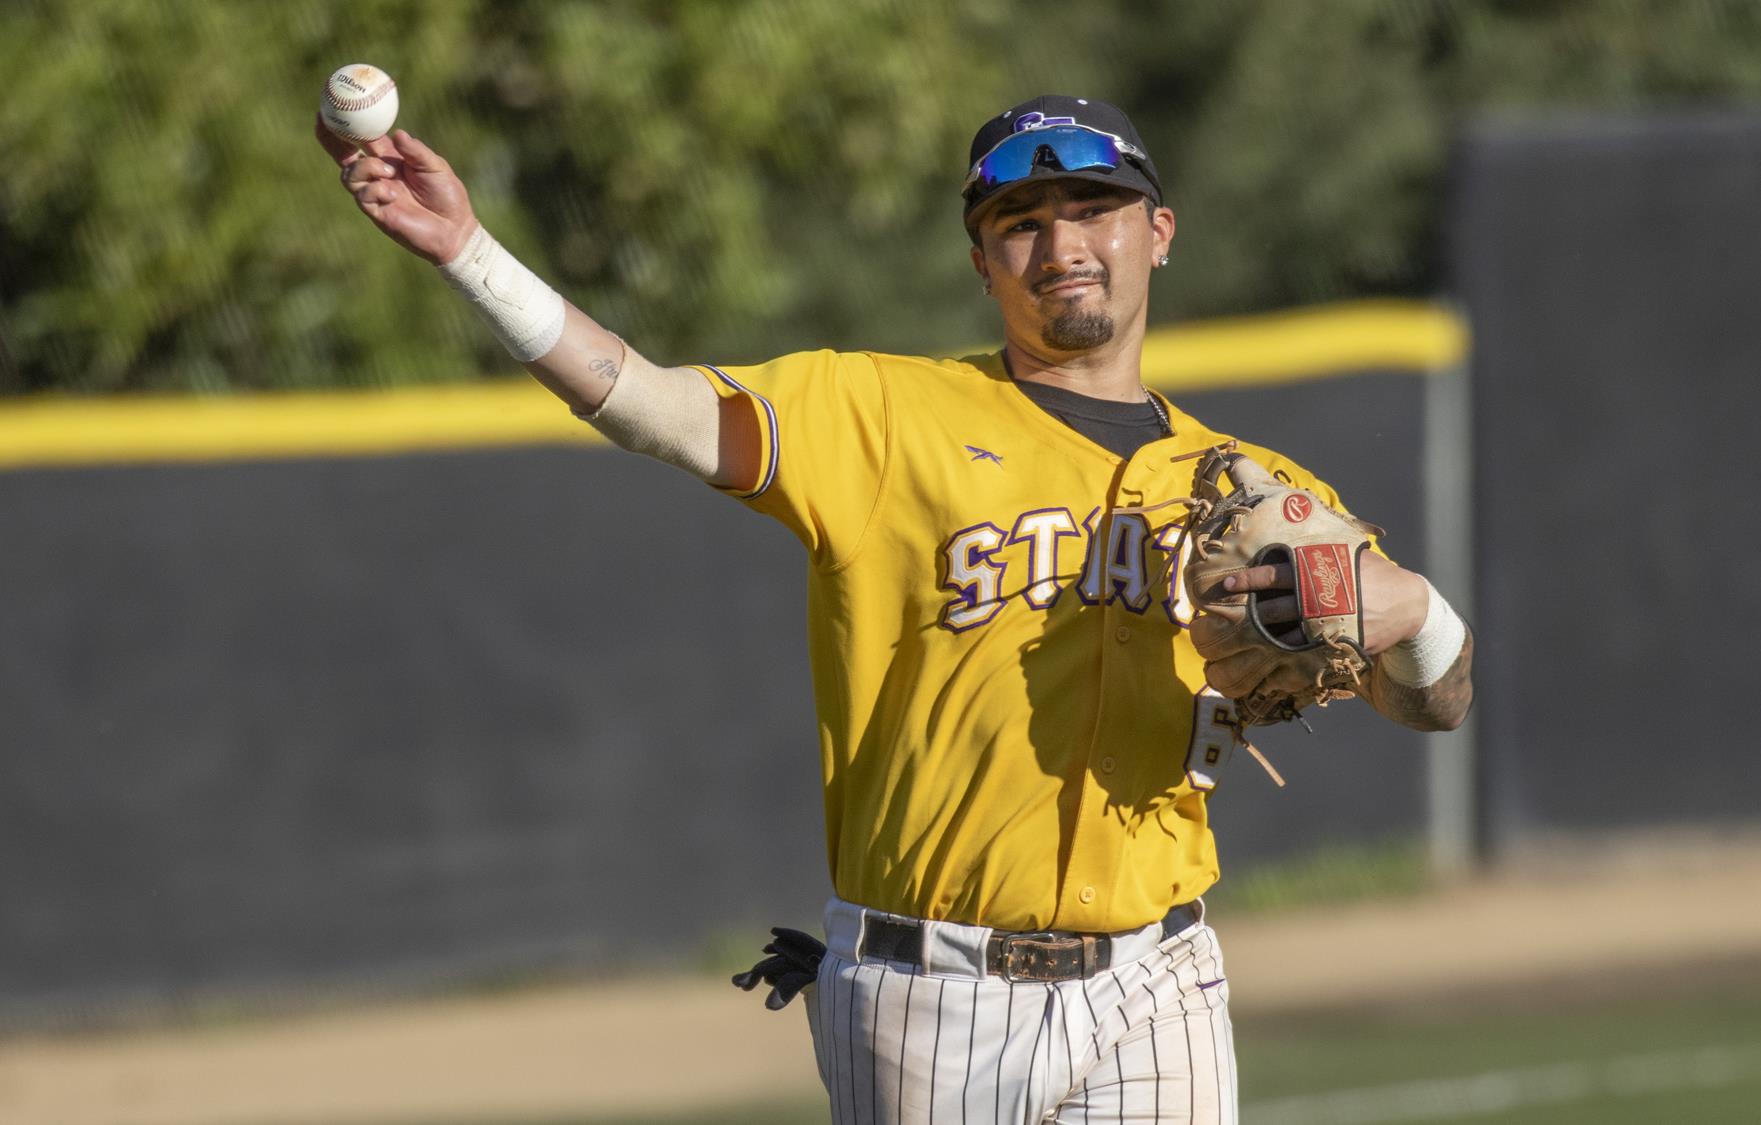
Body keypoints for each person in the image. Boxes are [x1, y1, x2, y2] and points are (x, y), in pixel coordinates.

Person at [318, 92, 1472, 1124]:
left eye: (1094, 209)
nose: (1060, 244)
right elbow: (646, 404)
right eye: (1019, 222)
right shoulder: (877, 412)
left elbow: (1432, 705)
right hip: (930, 999)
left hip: (1157, 978)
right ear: (982, 264)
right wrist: (469, 252)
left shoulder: (1257, 492)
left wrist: (1413, 609)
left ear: (1156, 234)